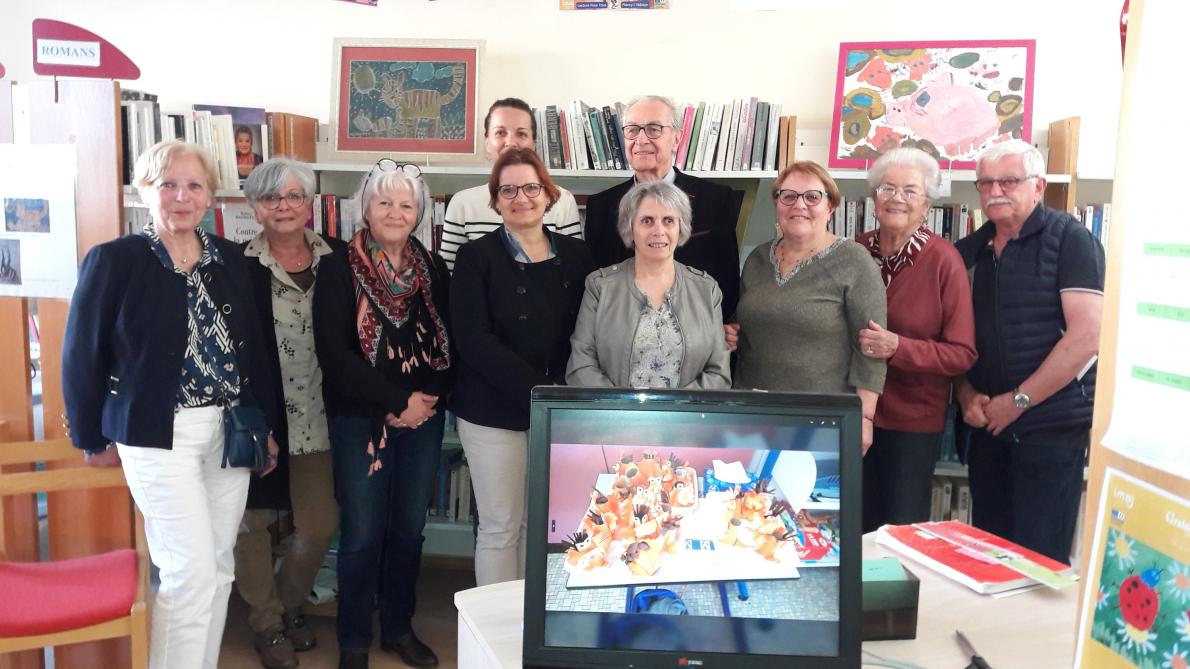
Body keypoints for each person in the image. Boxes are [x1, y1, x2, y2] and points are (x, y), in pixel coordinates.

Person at [61, 140, 279, 669]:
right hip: (157, 434)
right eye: (168, 185)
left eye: (194, 185)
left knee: (220, 568)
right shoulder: (115, 260)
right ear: (145, 191)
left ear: (210, 195)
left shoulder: (231, 260)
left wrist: (265, 426)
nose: (182, 196)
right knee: (189, 573)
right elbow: (81, 354)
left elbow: (254, 350)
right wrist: (90, 437)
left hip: (230, 431)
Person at [313, 159, 452, 669]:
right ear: (365, 208)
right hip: (360, 419)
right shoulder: (337, 267)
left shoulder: (432, 267)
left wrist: (424, 401)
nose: (395, 212)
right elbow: (334, 354)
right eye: (384, 202)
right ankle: (353, 640)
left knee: (408, 529)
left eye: (406, 204)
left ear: (419, 213)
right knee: (362, 533)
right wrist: (395, 403)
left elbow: (448, 342)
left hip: (422, 419)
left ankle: (398, 629)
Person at [953, 139, 1104, 563]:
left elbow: (1087, 336)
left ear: (1038, 186)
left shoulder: (1071, 240)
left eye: (1009, 181)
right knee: (989, 558)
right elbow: (953, 339)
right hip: (987, 428)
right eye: (985, 183)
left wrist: (1018, 402)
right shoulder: (969, 251)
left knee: (1039, 562)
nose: (995, 191)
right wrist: (965, 394)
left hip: (1049, 431)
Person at [450, 147, 594, 587]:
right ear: (495, 200)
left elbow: (587, 331)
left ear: (548, 195)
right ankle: (497, 628)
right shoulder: (475, 257)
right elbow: (474, 341)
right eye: (508, 190)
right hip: (492, 412)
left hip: (556, 410)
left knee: (540, 527)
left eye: (531, 187)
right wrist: (541, 391)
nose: (521, 198)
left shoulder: (579, 255)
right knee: (501, 528)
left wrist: (559, 395)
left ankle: (527, 623)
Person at [234, 158, 344, 668]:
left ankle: (288, 601)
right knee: (250, 524)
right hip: (261, 416)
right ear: (255, 208)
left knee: (320, 523)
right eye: (270, 197)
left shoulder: (339, 258)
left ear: (310, 203)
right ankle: (268, 623)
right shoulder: (234, 265)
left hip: (320, 413)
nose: (283, 206)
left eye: (294, 195)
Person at [855, 149, 977, 532]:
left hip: (910, 425)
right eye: (887, 188)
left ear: (927, 204)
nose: (897, 198)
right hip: (852, 411)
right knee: (850, 524)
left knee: (898, 532)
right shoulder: (855, 251)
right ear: (874, 198)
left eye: (910, 191)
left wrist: (898, 348)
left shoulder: (944, 261)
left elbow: (962, 354)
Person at [728, 161, 886, 453]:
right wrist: (731, 333)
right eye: (788, 196)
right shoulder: (757, 259)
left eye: (812, 197)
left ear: (831, 207)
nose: (799, 205)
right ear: (777, 204)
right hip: (752, 413)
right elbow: (747, 320)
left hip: (822, 418)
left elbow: (871, 348)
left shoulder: (854, 261)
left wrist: (864, 417)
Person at [584, 95, 741, 318]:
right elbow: (596, 283)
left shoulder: (716, 200)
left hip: (694, 328)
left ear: (677, 139)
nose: (641, 139)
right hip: (621, 329)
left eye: (653, 129)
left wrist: (716, 329)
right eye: (632, 130)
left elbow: (727, 278)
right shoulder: (600, 206)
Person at [566, 180, 730, 389]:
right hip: (613, 410)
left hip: (688, 411)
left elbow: (718, 374)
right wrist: (622, 406)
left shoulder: (707, 289)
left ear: (681, 228)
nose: (658, 231)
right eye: (647, 221)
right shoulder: (599, 286)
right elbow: (581, 367)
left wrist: (679, 406)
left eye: (668, 220)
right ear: (630, 228)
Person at [441, 97, 582, 271]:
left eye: (521, 134)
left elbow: (574, 268)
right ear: (487, 142)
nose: (511, 142)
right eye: (500, 133)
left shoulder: (563, 200)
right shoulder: (462, 203)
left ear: (534, 143)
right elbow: (451, 274)